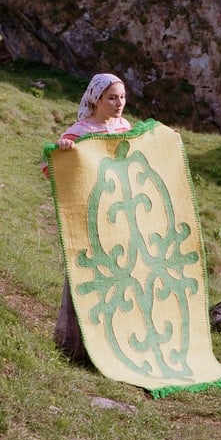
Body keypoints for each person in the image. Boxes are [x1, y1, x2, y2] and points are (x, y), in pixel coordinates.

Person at [48, 73, 131, 361]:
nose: (119, 103)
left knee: (119, 274)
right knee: (84, 273)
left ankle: (116, 344)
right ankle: (73, 346)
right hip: (89, 213)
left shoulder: (125, 127)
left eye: (122, 96)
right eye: (112, 97)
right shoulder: (79, 132)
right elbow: (52, 170)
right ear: (96, 99)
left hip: (119, 213)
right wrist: (66, 152)